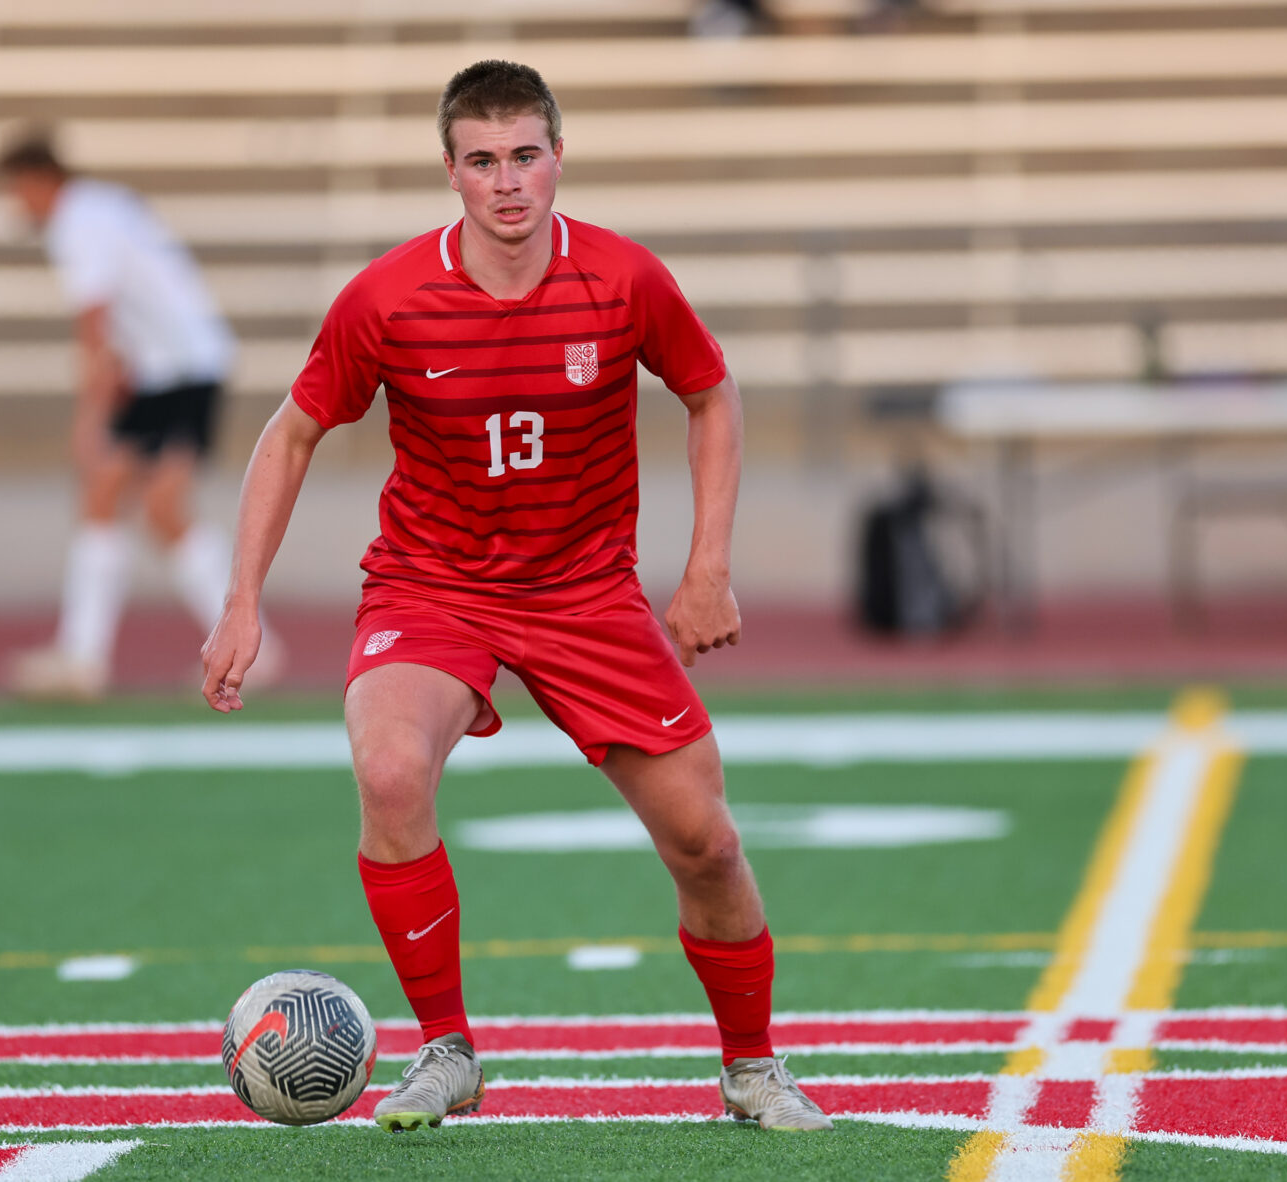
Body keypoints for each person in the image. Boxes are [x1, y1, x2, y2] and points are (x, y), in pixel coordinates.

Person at [200, 61, 831, 1134]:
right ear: (450, 171)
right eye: (483, 161)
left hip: (586, 592)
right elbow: (294, 429)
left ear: (556, 158)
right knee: (390, 770)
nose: (507, 183)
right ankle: (446, 1052)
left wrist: (706, 564)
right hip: (431, 583)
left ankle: (751, 1067)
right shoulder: (388, 297)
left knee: (706, 844)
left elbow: (710, 393)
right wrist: (240, 601)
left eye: (525, 156)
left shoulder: (625, 279)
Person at [0, 132, 279, 700]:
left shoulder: (78, 220)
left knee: (157, 505)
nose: (16, 205)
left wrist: (90, 417)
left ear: (37, 181)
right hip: (165, 366)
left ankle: (249, 649)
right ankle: (85, 656)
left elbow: (94, 317)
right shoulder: (105, 205)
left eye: (16, 191)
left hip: (181, 368)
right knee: (118, 498)